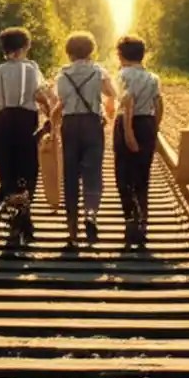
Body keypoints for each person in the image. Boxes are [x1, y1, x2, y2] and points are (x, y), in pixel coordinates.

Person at [0, 27, 53, 245]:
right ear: (25, 47)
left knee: (7, 172)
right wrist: (50, 117)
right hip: (25, 122)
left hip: (2, 123)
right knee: (27, 171)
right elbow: (41, 96)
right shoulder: (31, 69)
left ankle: (18, 219)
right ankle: (23, 217)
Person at [52, 31, 117, 248]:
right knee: (93, 172)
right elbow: (111, 93)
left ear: (69, 53)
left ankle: (72, 229)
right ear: (91, 51)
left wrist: (52, 128)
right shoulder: (99, 72)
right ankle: (90, 214)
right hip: (92, 123)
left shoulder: (62, 75)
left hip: (70, 125)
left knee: (70, 175)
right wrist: (108, 111)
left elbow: (60, 103)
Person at [113, 34, 163, 249]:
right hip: (147, 122)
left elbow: (127, 103)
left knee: (123, 174)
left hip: (127, 123)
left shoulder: (123, 75)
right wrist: (155, 126)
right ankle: (143, 222)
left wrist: (128, 132)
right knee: (143, 175)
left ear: (120, 55)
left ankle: (130, 220)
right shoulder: (153, 77)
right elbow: (159, 104)